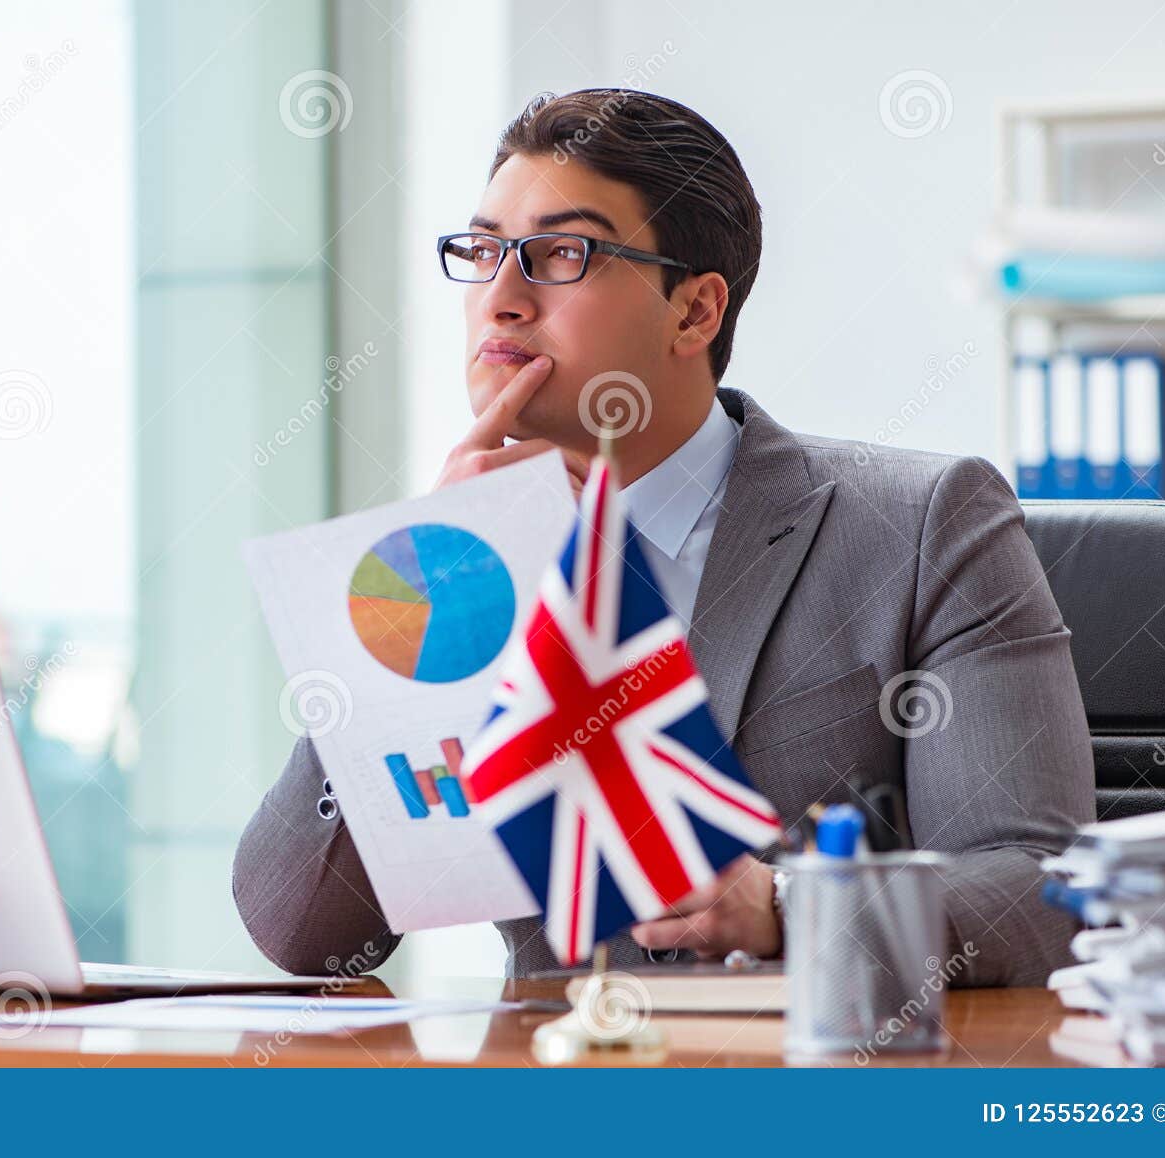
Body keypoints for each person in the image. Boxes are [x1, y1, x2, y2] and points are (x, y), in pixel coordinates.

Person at [233, 89, 1094, 987]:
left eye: (561, 254)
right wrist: (411, 612)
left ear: (694, 311)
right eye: (483, 252)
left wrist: (788, 908)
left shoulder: (921, 524)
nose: (500, 299)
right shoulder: (454, 564)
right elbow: (304, 936)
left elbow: (1041, 893)